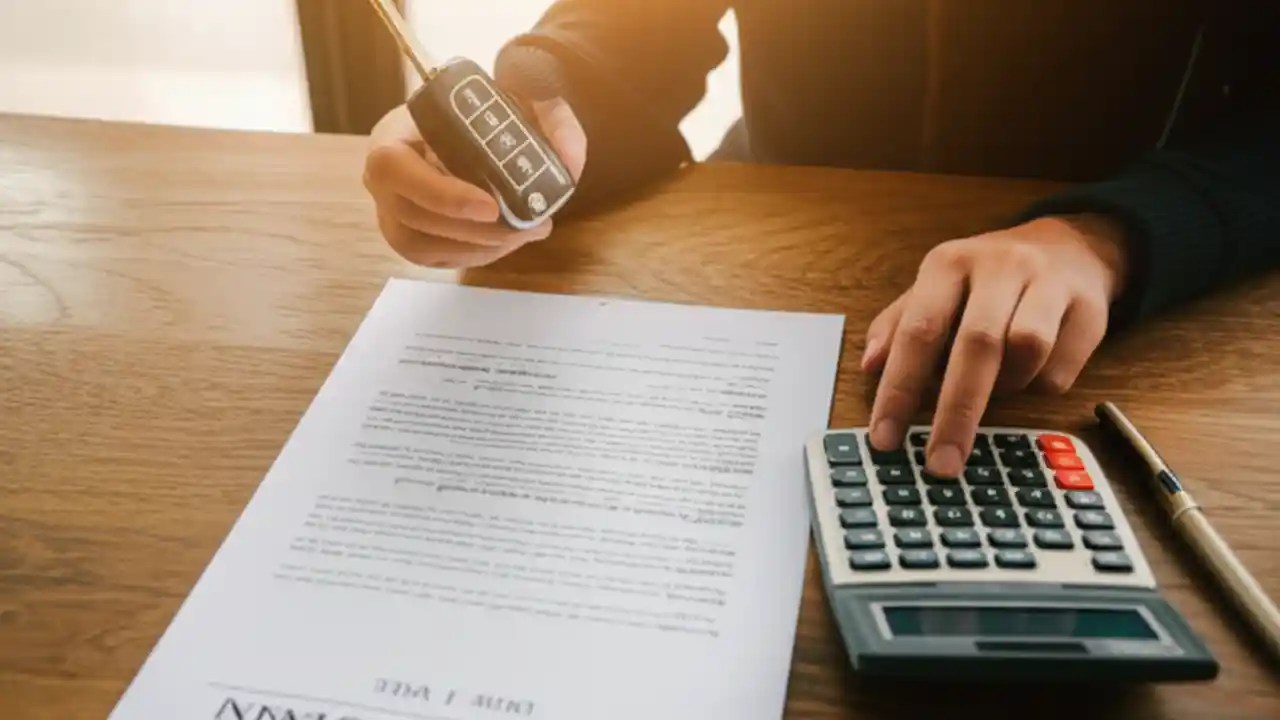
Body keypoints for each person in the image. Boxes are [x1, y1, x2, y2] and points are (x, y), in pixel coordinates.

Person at [362, 1, 1279, 478]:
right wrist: (553, 108)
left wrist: (1114, 235)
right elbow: (642, 22)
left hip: (1114, 287)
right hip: (771, 245)